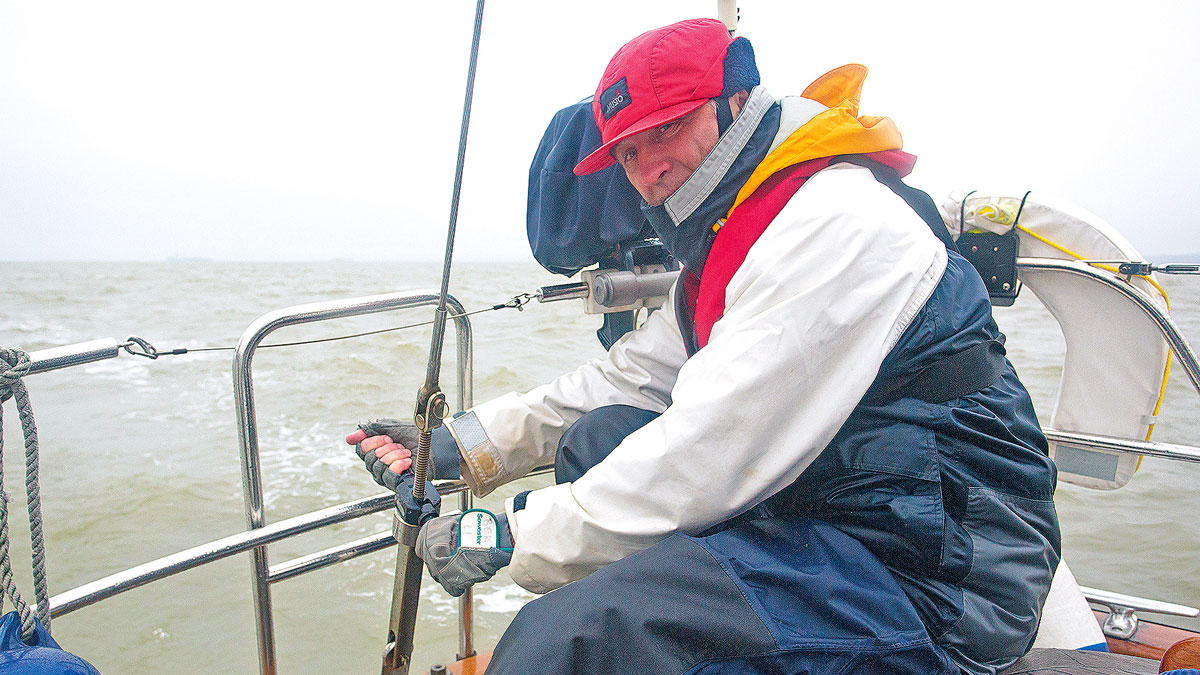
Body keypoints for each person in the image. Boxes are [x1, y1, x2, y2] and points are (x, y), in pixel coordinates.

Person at [347, 18, 1060, 675]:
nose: (648, 168)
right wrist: (462, 444)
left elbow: (708, 452)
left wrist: (506, 533)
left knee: (567, 642)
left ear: (736, 103)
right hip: (834, 505)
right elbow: (627, 380)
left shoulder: (836, 222)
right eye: (628, 151)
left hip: (940, 571)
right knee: (598, 440)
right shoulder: (734, 245)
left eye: (667, 129)